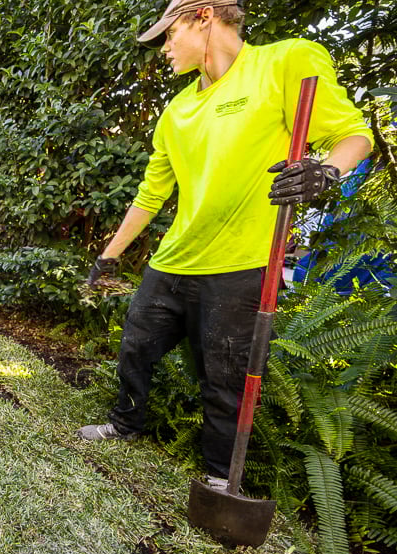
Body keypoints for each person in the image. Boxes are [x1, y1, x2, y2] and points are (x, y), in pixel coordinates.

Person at [79, 0, 373, 489]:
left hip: (242, 263)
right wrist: (108, 254)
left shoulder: (284, 61)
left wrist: (325, 171)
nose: (165, 47)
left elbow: (353, 135)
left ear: (204, 16)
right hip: (174, 259)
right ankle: (126, 423)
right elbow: (152, 195)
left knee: (224, 375)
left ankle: (219, 478)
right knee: (135, 346)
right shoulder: (177, 110)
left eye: (169, 34)